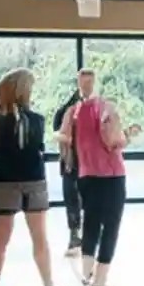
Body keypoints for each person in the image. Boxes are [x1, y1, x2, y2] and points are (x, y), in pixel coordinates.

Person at [0, 68, 73, 286]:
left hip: (8, 181)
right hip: (30, 180)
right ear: (23, 90)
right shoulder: (33, 119)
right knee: (36, 237)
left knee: (2, 239)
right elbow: (32, 147)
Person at [57, 69, 139, 286]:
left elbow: (63, 138)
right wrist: (128, 136)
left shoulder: (72, 112)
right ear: (94, 83)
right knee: (111, 226)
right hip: (111, 175)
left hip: (86, 174)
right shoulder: (105, 107)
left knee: (91, 224)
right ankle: (100, 283)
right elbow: (113, 141)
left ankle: (86, 275)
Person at [54, 84, 83, 255]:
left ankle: (75, 235)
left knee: (72, 200)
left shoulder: (63, 112)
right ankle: (76, 235)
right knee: (76, 200)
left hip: (73, 163)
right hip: (75, 163)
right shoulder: (67, 113)